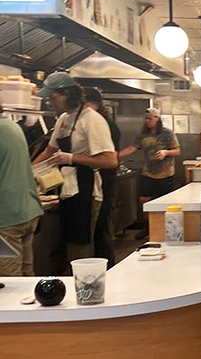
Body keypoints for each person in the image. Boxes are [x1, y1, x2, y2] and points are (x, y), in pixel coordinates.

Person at [32, 72, 117, 265]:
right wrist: (28, 171)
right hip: (68, 189)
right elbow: (49, 151)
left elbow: (110, 160)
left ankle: (87, 286)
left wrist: (71, 158)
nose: (50, 102)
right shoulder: (63, 119)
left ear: (67, 94)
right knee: (71, 242)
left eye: (52, 97)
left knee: (81, 242)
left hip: (87, 191)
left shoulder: (92, 120)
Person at [118, 108, 180, 231]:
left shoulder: (167, 133)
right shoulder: (142, 135)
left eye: (150, 118)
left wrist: (165, 152)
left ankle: (164, 228)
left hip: (165, 173)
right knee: (144, 200)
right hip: (148, 172)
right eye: (146, 118)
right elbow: (132, 148)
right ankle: (148, 227)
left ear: (157, 118)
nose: (147, 121)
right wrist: (115, 155)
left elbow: (177, 151)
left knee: (164, 202)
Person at [0, 103, 44, 276]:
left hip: (7, 219)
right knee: (26, 275)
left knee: (10, 281)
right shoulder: (12, 127)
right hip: (28, 210)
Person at [83, 87, 120, 268]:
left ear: (95, 105)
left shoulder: (100, 123)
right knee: (100, 228)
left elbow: (111, 159)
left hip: (104, 181)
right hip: (98, 182)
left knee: (101, 227)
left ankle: (106, 268)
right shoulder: (101, 122)